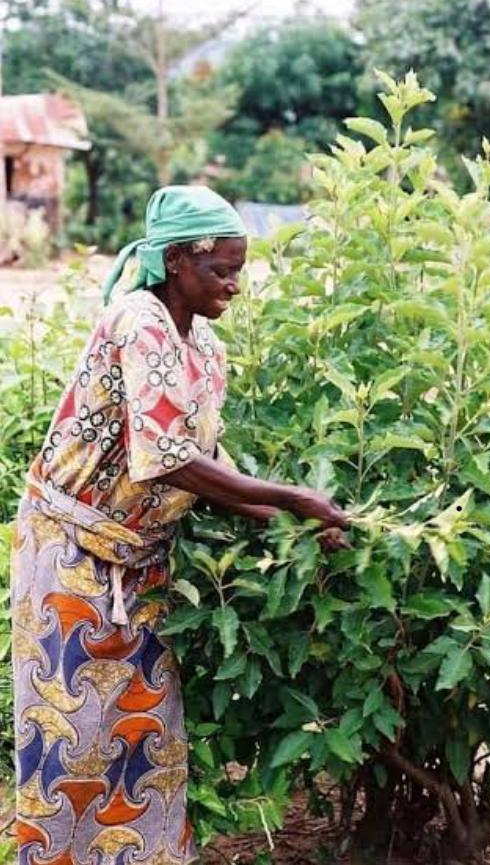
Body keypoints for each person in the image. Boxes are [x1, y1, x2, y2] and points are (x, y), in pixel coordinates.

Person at [11, 185, 348, 865]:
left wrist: (289, 520)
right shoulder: (138, 320)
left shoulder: (207, 347)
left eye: (239, 270)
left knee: (143, 728)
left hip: (141, 561)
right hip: (72, 551)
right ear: (174, 262)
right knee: (69, 730)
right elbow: (164, 457)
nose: (233, 285)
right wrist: (293, 497)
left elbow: (204, 458)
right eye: (220, 269)